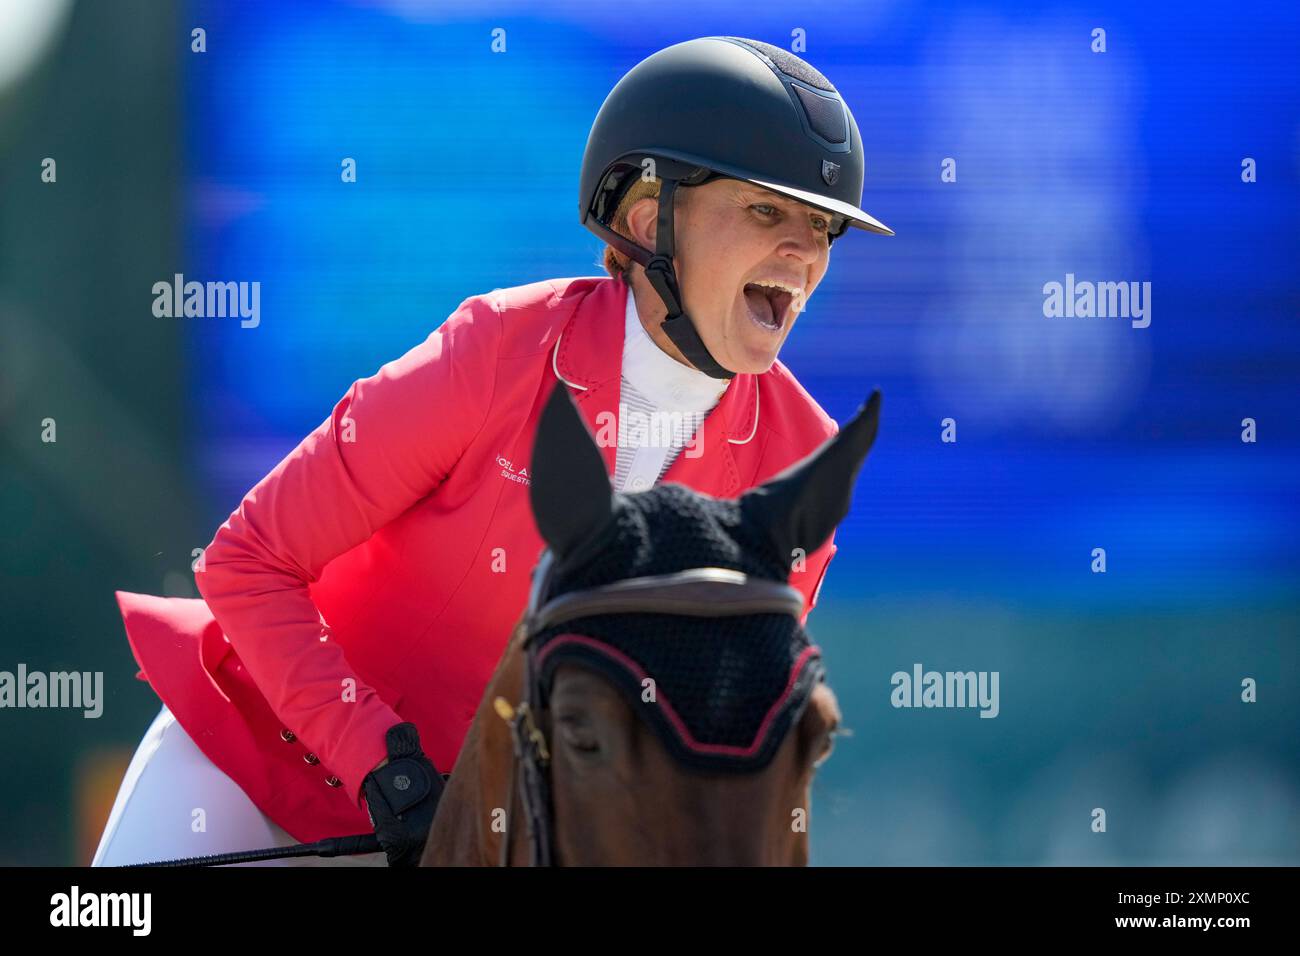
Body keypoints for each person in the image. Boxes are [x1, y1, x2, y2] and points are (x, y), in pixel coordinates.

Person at [92, 35, 892, 868]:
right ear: (653, 220)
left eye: (823, 227)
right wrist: (383, 767)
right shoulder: (496, 352)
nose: (806, 255)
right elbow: (246, 562)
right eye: (767, 211)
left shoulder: (800, 457)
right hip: (256, 770)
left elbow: (724, 724)